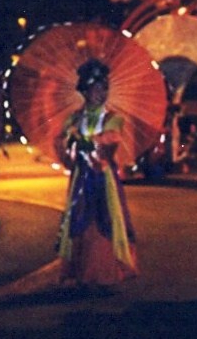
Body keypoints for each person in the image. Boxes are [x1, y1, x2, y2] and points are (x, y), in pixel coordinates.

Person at [56, 59, 139, 288]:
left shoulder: (112, 118)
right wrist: (71, 142)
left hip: (103, 176)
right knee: (80, 220)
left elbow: (112, 138)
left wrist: (91, 142)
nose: (101, 94)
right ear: (85, 91)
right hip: (81, 177)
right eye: (96, 89)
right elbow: (64, 147)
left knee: (104, 219)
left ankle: (105, 272)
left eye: (105, 89)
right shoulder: (74, 119)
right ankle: (81, 271)